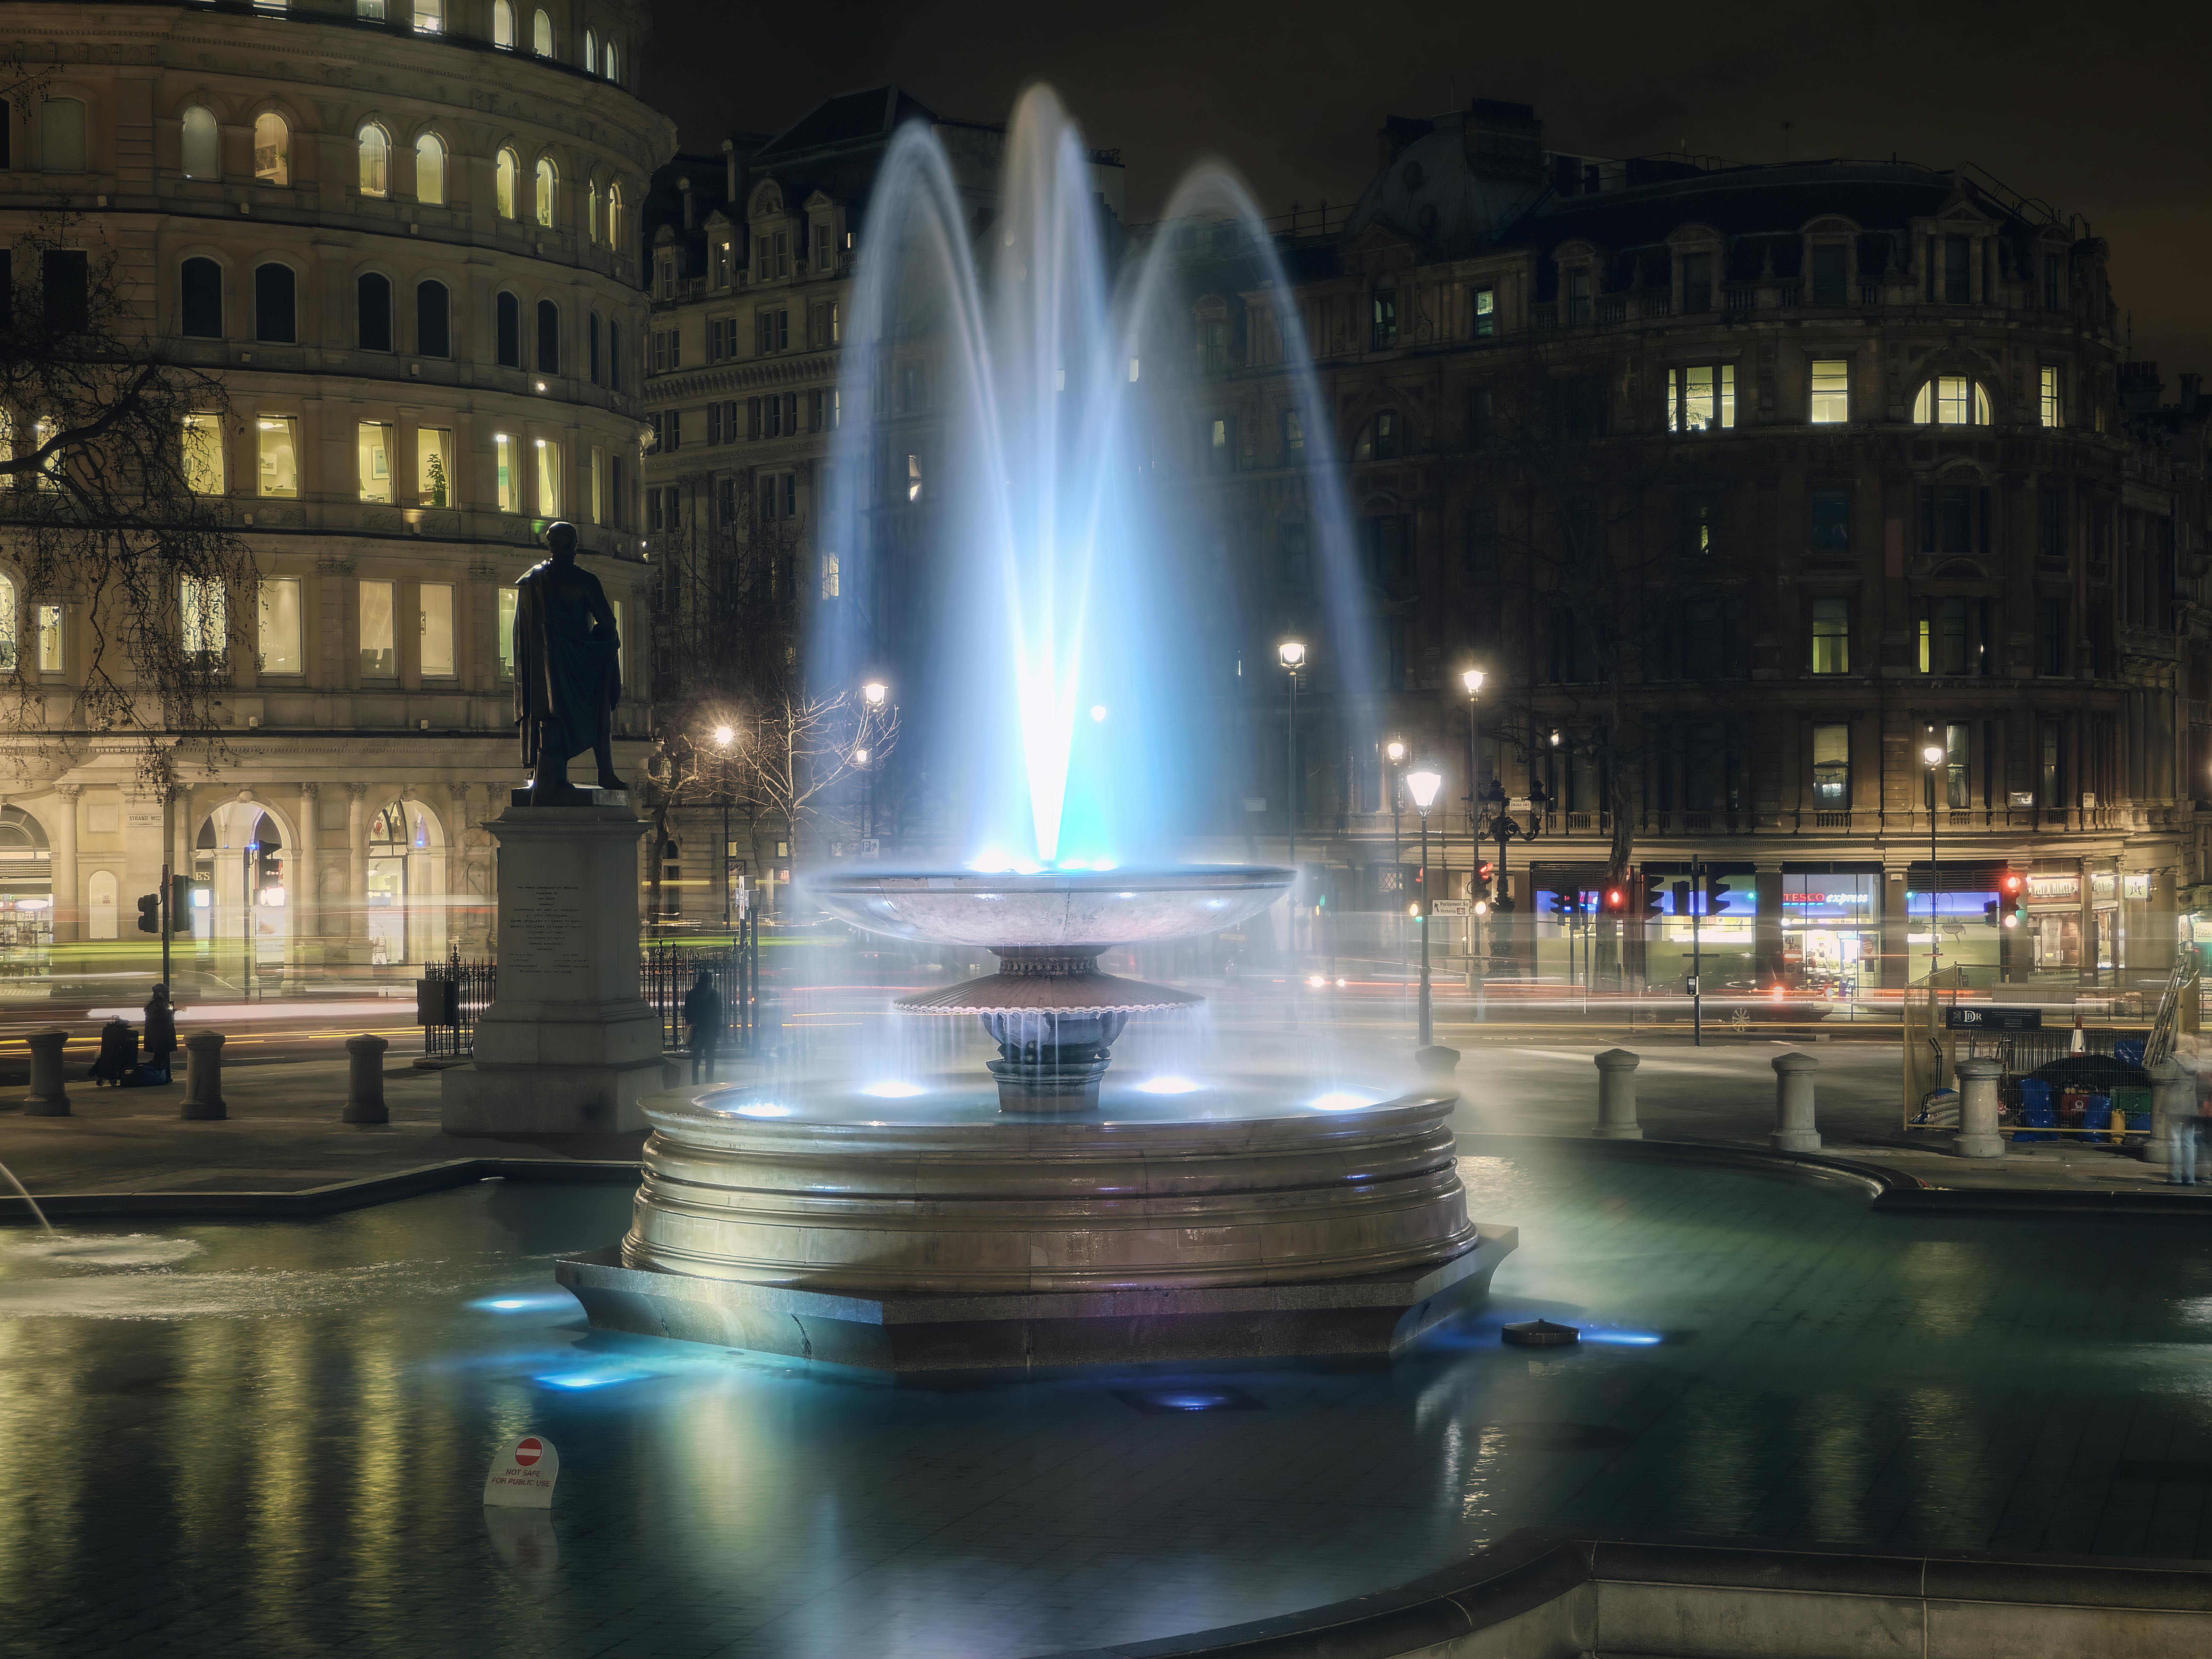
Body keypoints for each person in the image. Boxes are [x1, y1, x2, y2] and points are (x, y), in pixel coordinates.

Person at [513, 520, 625, 798]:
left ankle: (550, 773)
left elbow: (522, 634)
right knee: (601, 711)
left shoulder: (532, 582)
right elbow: (609, 624)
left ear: (550, 546)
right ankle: (606, 772)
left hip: (545, 672)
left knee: (552, 719)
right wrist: (598, 647)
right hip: (583, 666)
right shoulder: (585, 581)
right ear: (574, 546)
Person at [683, 969, 723, 1084]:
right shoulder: (714, 995)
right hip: (710, 1032)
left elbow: (687, 1014)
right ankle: (709, 1083)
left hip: (697, 1031)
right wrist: (718, 1029)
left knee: (696, 1060)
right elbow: (718, 1013)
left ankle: (695, 1084)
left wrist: (693, 1024)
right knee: (710, 1060)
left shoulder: (691, 995)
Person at [139, 983, 178, 1085]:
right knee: (160, 1057)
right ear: (158, 993)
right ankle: (160, 1077)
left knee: (163, 1057)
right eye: (165, 993)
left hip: (164, 1034)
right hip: (160, 1035)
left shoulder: (164, 1004)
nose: (166, 995)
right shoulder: (155, 1005)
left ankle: (165, 1077)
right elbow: (155, 1020)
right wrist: (169, 1014)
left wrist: (171, 1012)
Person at [90, 1016, 137, 1087]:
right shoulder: (129, 1033)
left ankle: (95, 1074)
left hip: (110, 1055)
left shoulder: (109, 1032)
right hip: (122, 1056)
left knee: (104, 1061)